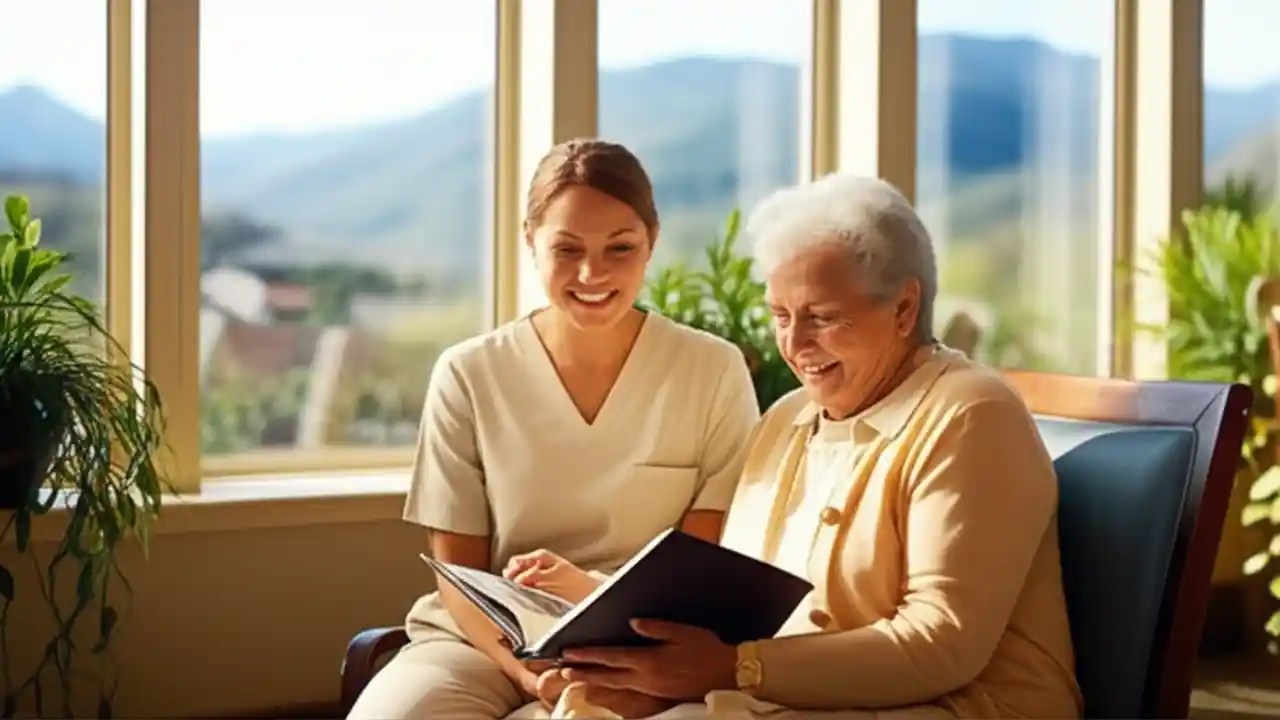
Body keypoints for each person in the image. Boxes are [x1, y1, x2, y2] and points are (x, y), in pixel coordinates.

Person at [508, 173, 1084, 719]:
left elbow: (941, 643)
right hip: (790, 699)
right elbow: (742, 603)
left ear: (904, 309)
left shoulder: (972, 414)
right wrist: (627, 653)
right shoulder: (788, 417)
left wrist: (736, 669)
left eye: (823, 317)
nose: (795, 344)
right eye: (780, 315)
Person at [345, 139, 760, 720]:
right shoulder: (469, 373)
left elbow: (701, 565)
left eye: (621, 247)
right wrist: (526, 675)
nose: (593, 273)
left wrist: (590, 608)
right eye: (567, 249)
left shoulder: (711, 369)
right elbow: (460, 575)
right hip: (484, 644)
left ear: (652, 243)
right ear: (530, 243)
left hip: (644, 647)